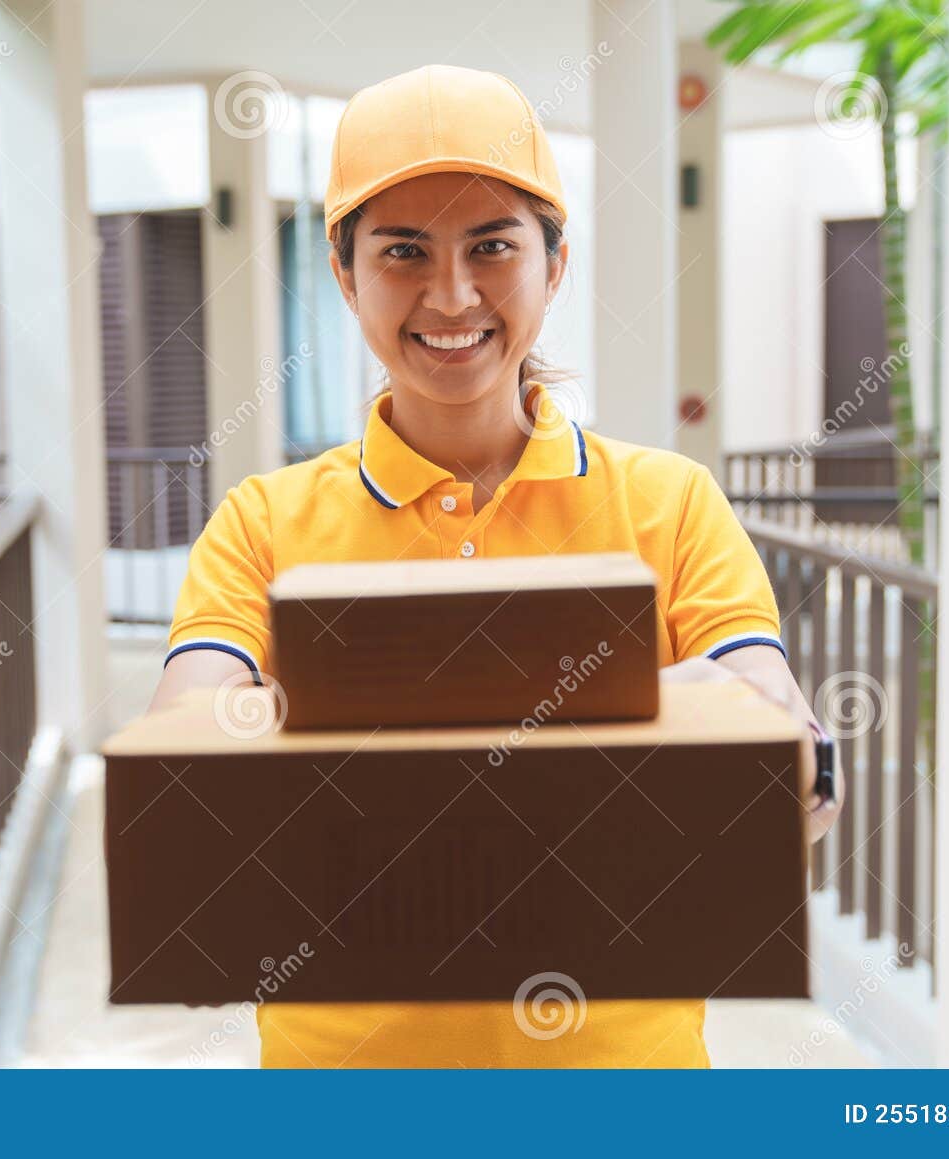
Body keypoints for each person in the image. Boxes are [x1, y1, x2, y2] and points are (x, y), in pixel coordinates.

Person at [148, 63, 842, 1067]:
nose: (452, 294)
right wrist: (627, 734)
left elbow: (772, 760)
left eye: (491, 246)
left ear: (553, 264)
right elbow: (188, 770)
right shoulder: (265, 523)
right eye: (402, 251)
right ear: (345, 273)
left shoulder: (669, 502)